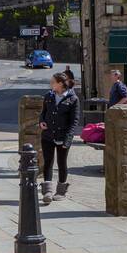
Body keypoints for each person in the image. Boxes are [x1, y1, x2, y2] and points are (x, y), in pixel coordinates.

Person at [39, 71, 80, 201]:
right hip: (48, 135)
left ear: (61, 84)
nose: (51, 84)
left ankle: (61, 192)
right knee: (48, 162)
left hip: (63, 136)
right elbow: (43, 113)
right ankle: (47, 192)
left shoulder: (73, 99)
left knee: (62, 163)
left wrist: (68, 139)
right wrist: (41, 122)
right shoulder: (48, 96)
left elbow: (74, 121)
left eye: (53, 82)